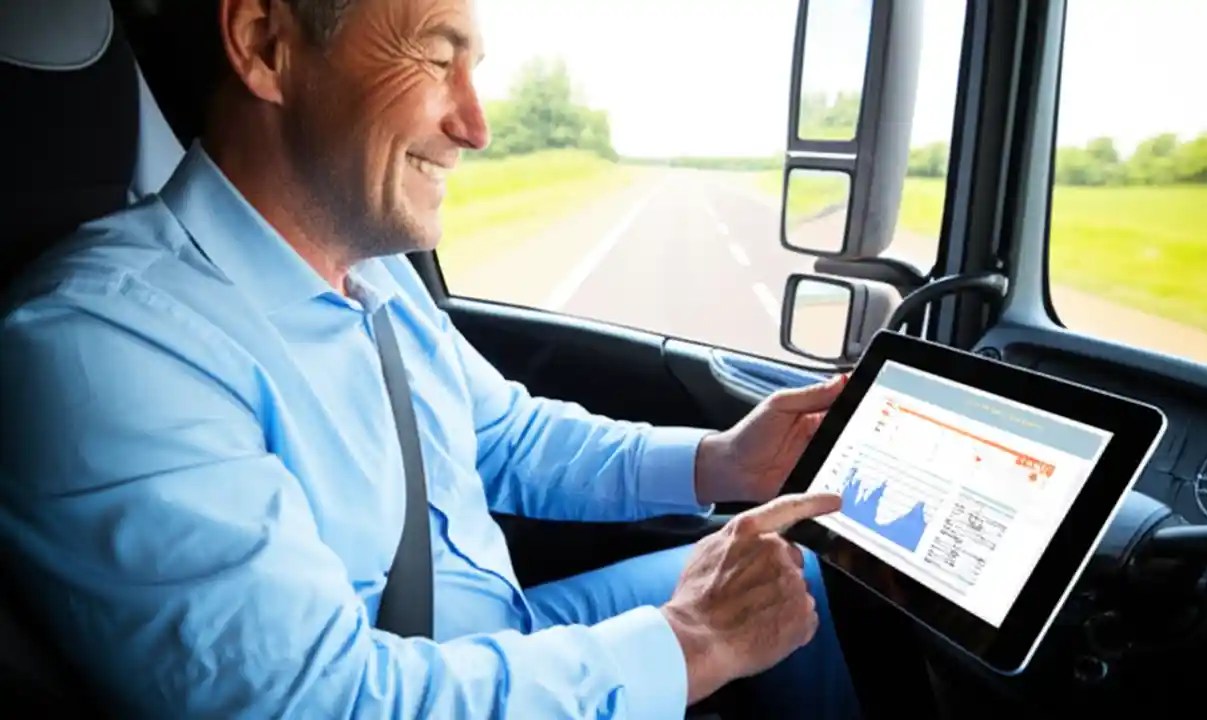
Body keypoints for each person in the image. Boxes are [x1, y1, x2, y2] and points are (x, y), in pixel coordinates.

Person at [0, 0, 860, 717]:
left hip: (503, 635)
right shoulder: (106, 345)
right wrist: (692, 641)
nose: (475, 125)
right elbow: (326, 702)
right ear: (265, 46)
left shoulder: (375, 274)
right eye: (435, 58)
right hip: (401, 687)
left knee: (801, 574)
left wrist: (722, 462)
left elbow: (507, 438)